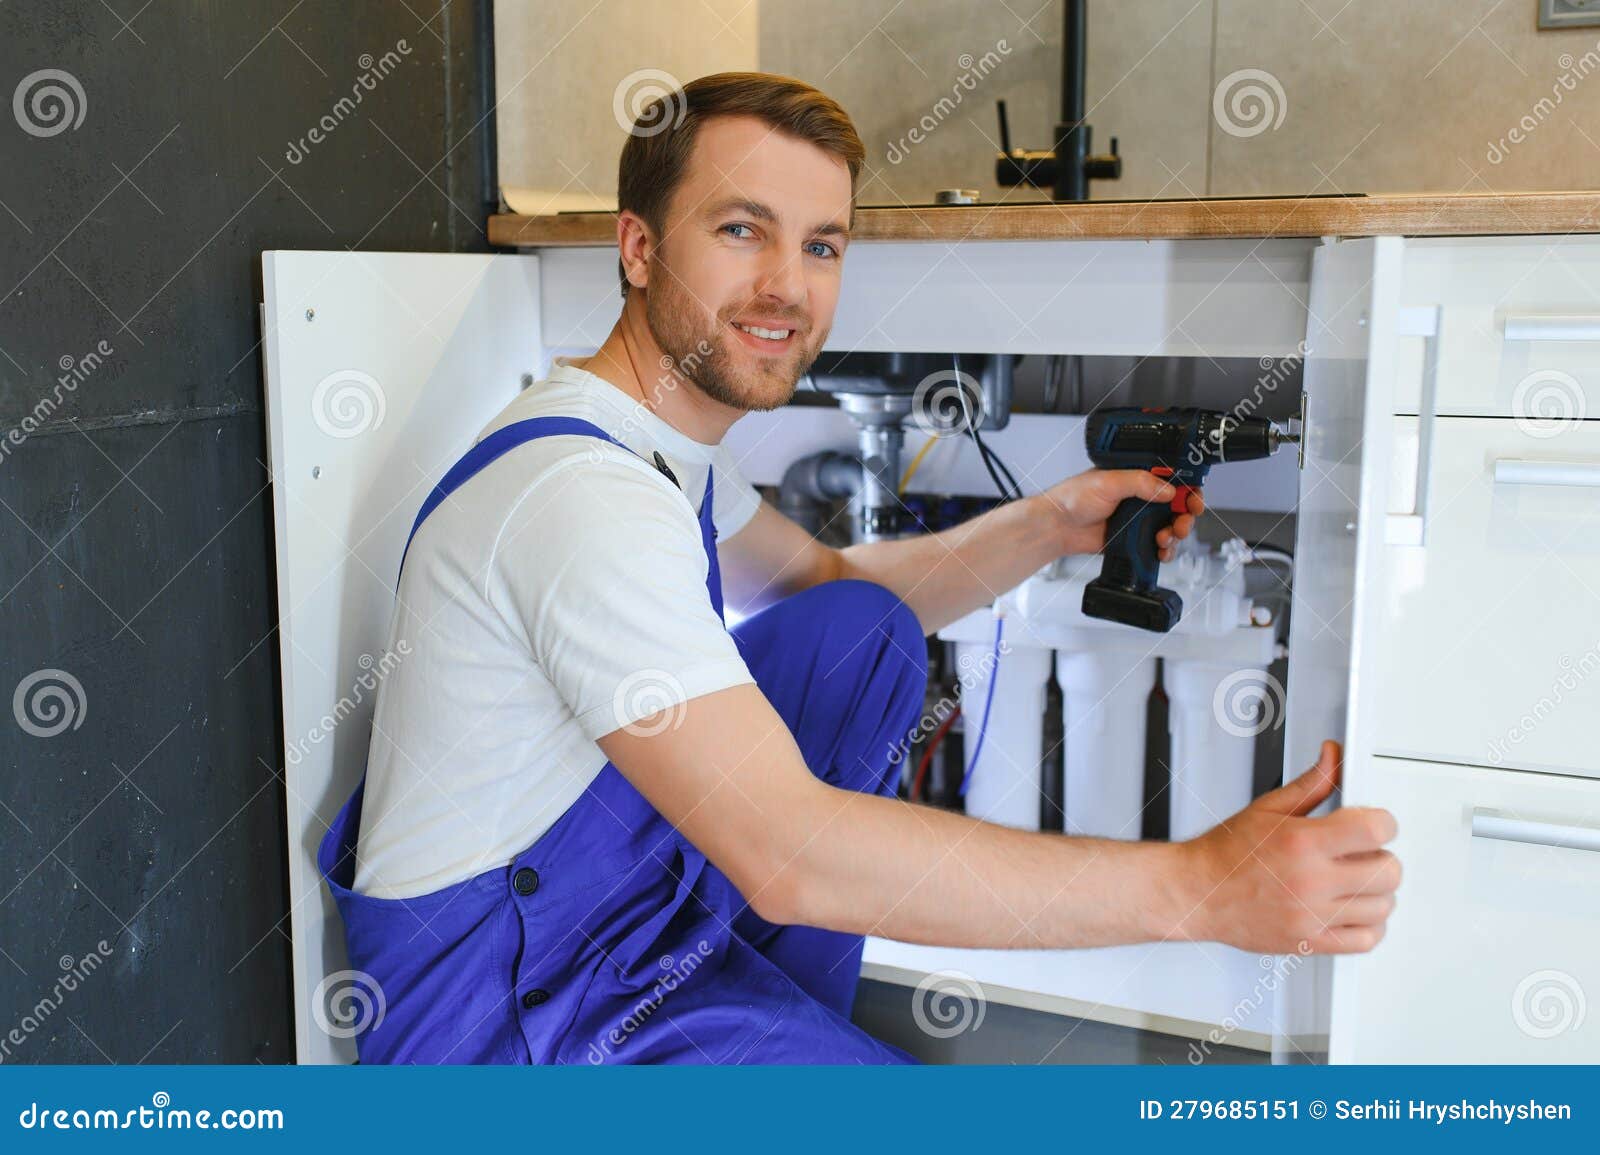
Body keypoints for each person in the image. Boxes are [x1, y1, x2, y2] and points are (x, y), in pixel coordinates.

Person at [317, 72, 1399, 1065]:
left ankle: (773, 1036)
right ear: (638, 248)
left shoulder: (650, 445)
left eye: (821, 246)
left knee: (853, 630)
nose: (787, 287)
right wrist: (1201, 888)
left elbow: (831, 582)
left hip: (614, 938)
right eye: (741, 231)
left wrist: (1047, 522)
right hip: (501, 1022)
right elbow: (790, 853)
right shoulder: (579, 496)